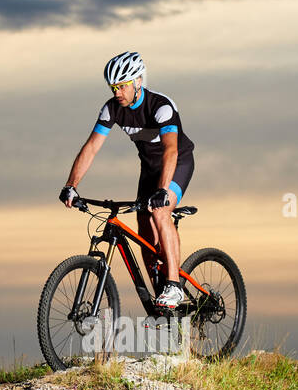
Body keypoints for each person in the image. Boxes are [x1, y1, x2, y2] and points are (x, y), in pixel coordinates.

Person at [58, 52, 196, 308]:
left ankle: (174, 285)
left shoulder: (161, 106)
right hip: (149, 170)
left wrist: (163, 190)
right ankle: (159, 287)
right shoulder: (112, 109)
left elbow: (170, 151)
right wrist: (71, 185)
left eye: (122, 86)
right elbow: (91, 148)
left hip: (177, 163)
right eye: (113, 87)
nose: (117, 92)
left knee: (160, 212)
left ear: (138, 81)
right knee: (143, 224)